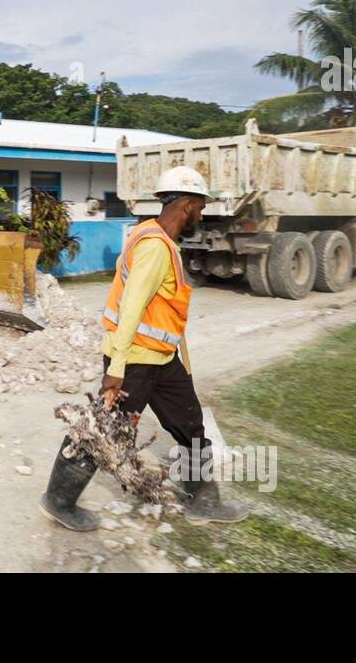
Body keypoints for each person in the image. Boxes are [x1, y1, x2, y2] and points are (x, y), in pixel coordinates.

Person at [38, 166, 249, 531]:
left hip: (162, 360)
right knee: (104, 429)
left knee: (190, 424)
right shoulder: (154, 247)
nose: (201, 215)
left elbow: (163, 308)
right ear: (186, 206)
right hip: (134, 360)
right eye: (200, 208)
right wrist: (116, 367)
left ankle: (204, 501)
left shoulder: (155, 238)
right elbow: (131, 308)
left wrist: (179, 354)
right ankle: (59, 501)